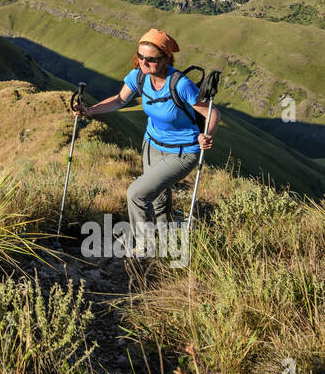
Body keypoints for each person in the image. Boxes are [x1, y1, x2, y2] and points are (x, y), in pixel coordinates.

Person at [71, 29, 219, 256]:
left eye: (151, 59)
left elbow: (212, 112)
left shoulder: (180, 84)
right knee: (158, 198)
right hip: (152, 145)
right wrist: (89, 110)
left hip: (182, 151)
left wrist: (206, 134)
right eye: (141, 56)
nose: (144, 62)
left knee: (136, 194)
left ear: (166, 59)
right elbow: (119, 100)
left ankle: (144, 248)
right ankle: (167, 244)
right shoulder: (138, 76)